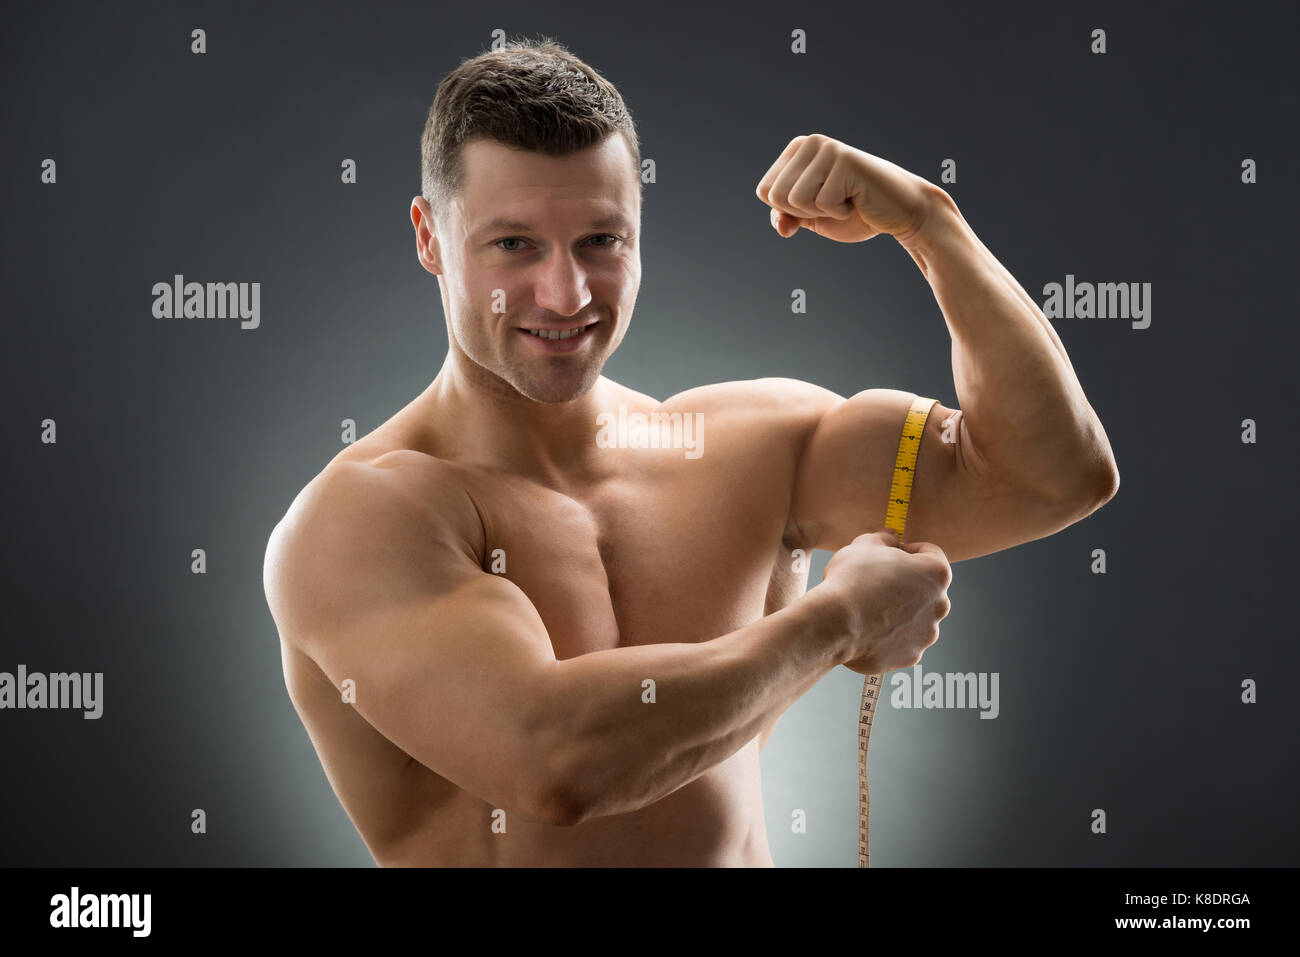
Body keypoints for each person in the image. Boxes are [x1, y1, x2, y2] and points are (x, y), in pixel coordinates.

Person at [261, 37, 1118, 866]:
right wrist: (837, 621)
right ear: (429, 237)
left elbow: (1053, 476)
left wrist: (932, 227)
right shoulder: (359, 519)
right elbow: (556, 761)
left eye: (601, 240)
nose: (565, 292)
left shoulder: (753, 448)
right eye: (514, 244)